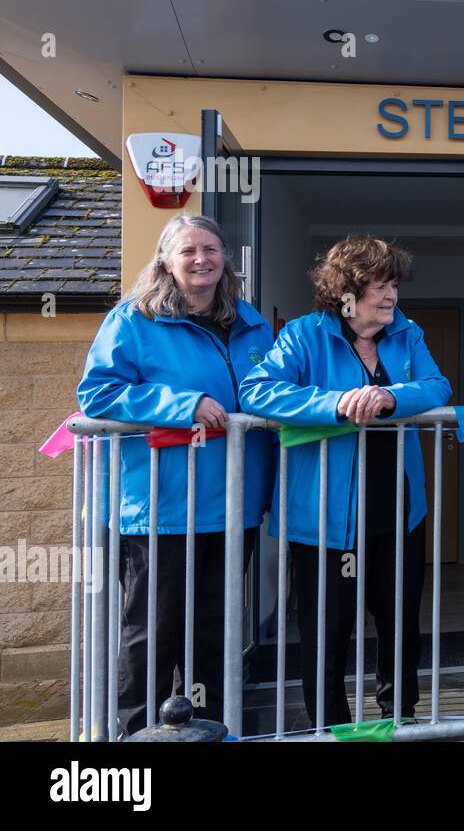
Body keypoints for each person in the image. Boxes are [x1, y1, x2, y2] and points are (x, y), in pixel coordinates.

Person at [240, 236, 452, 728]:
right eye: (380, 285)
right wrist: (334, 404)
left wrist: (391, 398)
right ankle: (330, 727)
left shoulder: (408, 334)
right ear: (346, 291)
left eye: (394, 285)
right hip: (325, 519)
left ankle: (399, 719)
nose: (391, 296)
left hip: (399, 510)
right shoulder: (302, 334)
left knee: (399, 623)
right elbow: (256, 391)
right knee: (327, 631)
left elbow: (438, 386)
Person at [78, 214, 275, 735]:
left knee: (215, 630)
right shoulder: (134, 320)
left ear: (225, 257)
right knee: (154, 634)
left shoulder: (252, 323)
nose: (201, 259)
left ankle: (211, 729)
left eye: (210, 248)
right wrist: (182, 403)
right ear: (166, 259)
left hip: (234, 506)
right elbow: (97, 395)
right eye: (188, 250)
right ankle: (138, 732)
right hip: (163, 508)